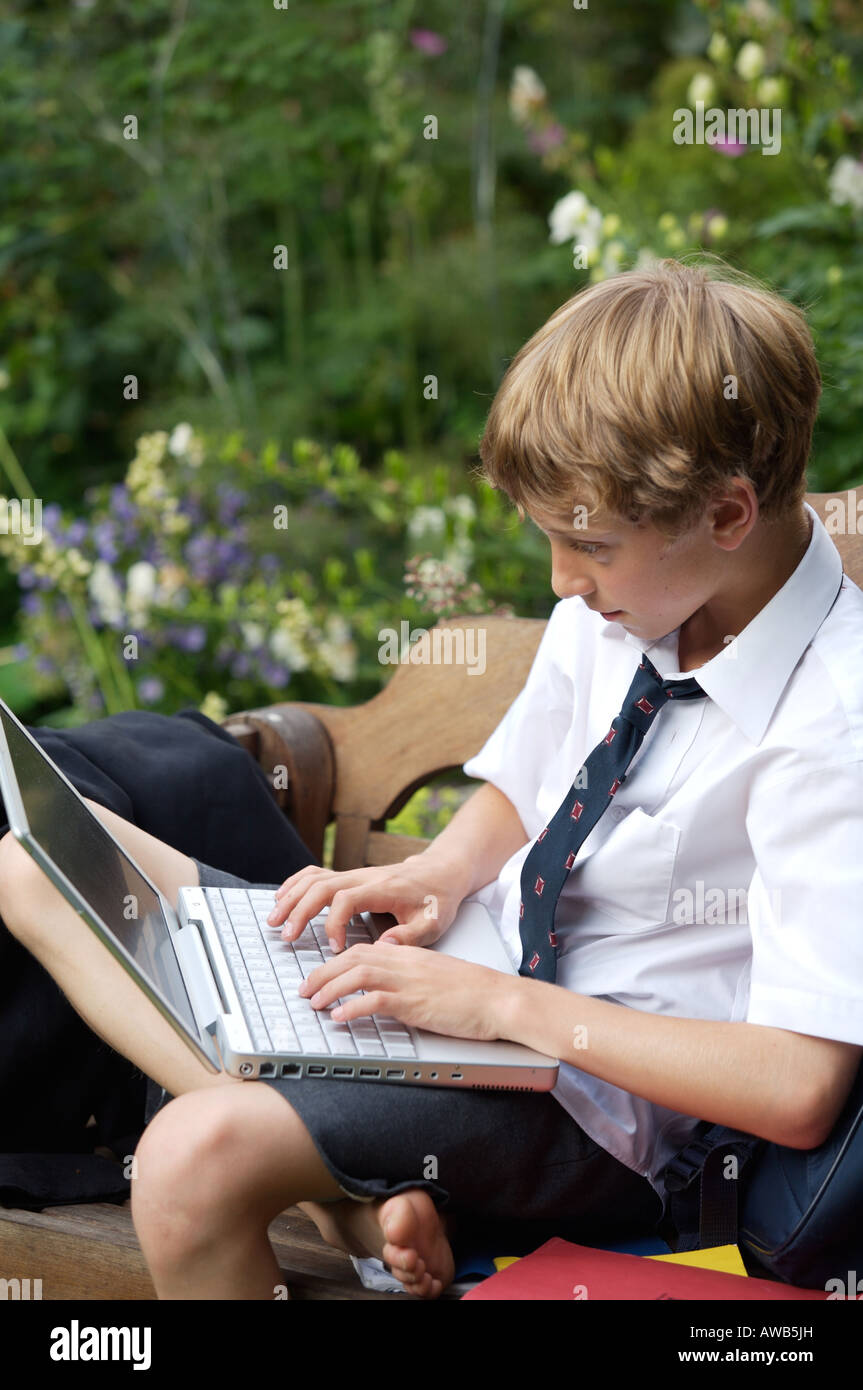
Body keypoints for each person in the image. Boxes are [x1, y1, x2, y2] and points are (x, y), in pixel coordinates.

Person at [2, 257, 862, 1300]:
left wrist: (495, 1006)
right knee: (36, 866)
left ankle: (327, 1166)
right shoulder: (625, 605)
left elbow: (797, 1085)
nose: (559, 579)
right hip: (457, 993)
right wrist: (442, 874)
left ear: (727, 515)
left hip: (591, 1112)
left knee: (190, 1160)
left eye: (586, 542)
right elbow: (522, 789)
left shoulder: (833, 724)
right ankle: (351, 1196)